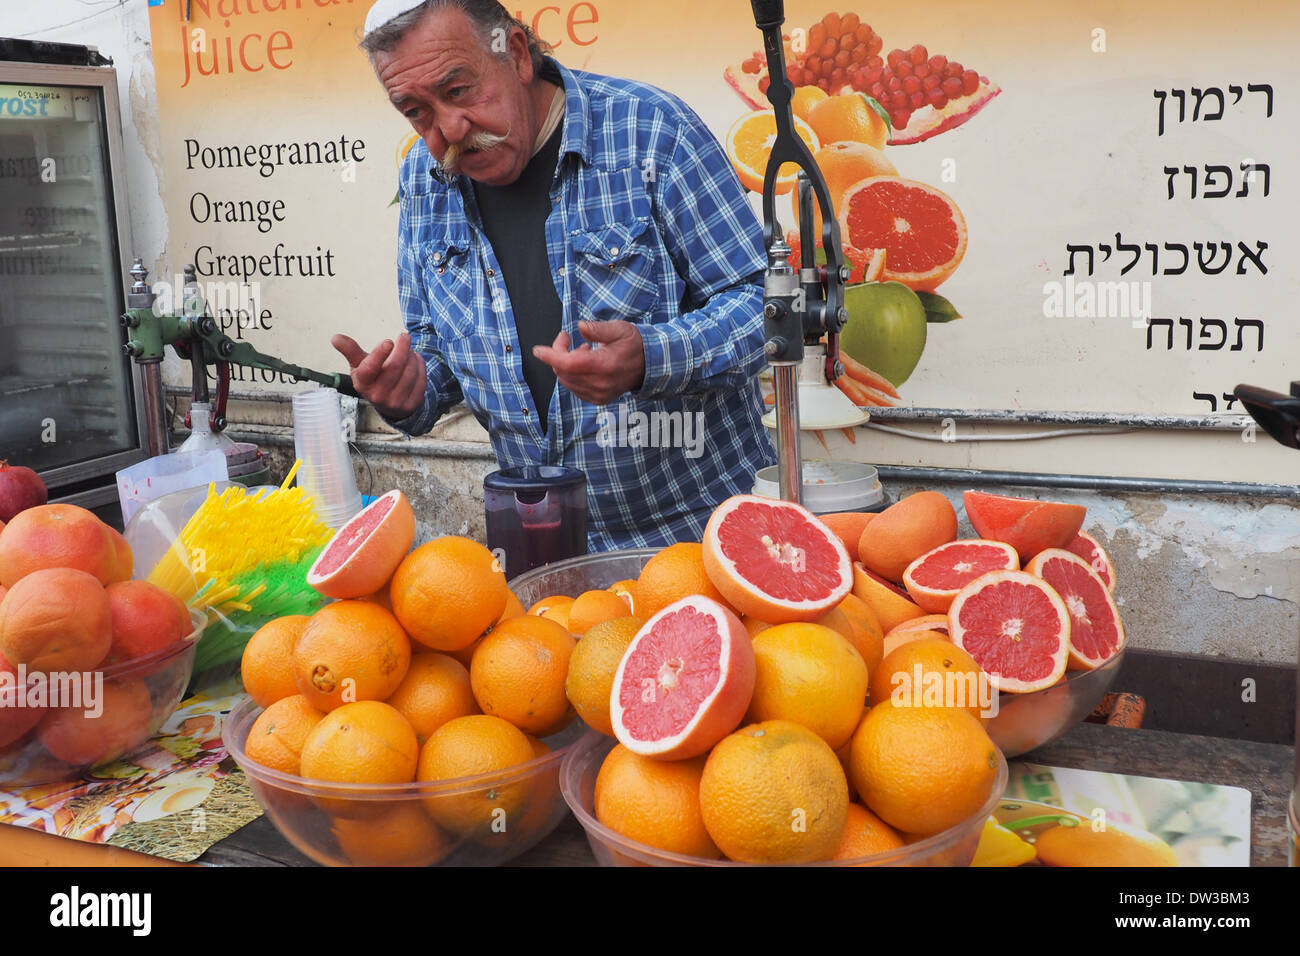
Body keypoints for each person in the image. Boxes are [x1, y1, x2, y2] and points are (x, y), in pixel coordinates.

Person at [333, 0, 777, 550]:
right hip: (544, 549)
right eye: (416, 112)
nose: (448, 130)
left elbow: (763, 307)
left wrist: (650, 357)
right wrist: (410, 393)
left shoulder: (649, 131)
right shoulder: (424, 181)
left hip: (700, 542)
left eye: (458, 91)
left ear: (516, 55)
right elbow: (436, 347)